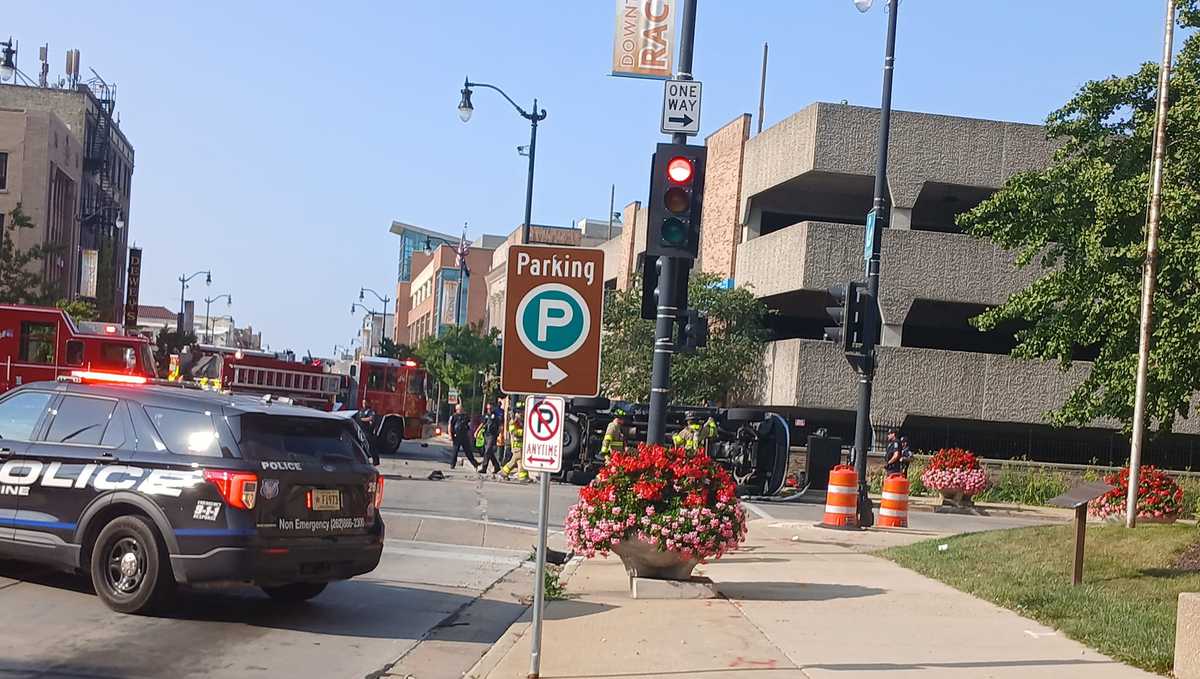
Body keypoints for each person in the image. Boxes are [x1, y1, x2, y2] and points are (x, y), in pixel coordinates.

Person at [500, 406, 529, 481]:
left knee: (518, 461)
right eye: (519, 412)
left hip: (520, 445)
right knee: (518, 460)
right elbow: (513, 432)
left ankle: (522, 476)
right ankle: (504, 473)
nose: (521, 414)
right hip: (516, 445)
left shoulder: (521, 421)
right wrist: (524, 432)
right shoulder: (513, 422)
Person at [477, 402, 504, 475]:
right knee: (489, 452)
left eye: (490, 408)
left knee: (487, 450)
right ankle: (496, 466)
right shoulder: (486, 415)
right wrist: (477, 431)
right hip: (486, 434)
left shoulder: (496, 416)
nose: (489, 409)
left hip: (493, 435)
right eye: (488, 408)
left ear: (493, 408)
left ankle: (484, 468)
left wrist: (500, 433)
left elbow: (500, 425)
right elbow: (482, 423)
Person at [448, 405, 478, 470]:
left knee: (468, 451)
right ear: (456, 409)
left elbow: (469, 424)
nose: (460, 410)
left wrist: (470, 433)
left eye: (461, 409)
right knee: (455, 451)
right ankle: (452, 464)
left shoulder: (465, 416)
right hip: (456, 436)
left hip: (464, 436)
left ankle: (475, 464)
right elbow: (450, 426)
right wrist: (450, 435)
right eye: (459, 409)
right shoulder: (453, 416)